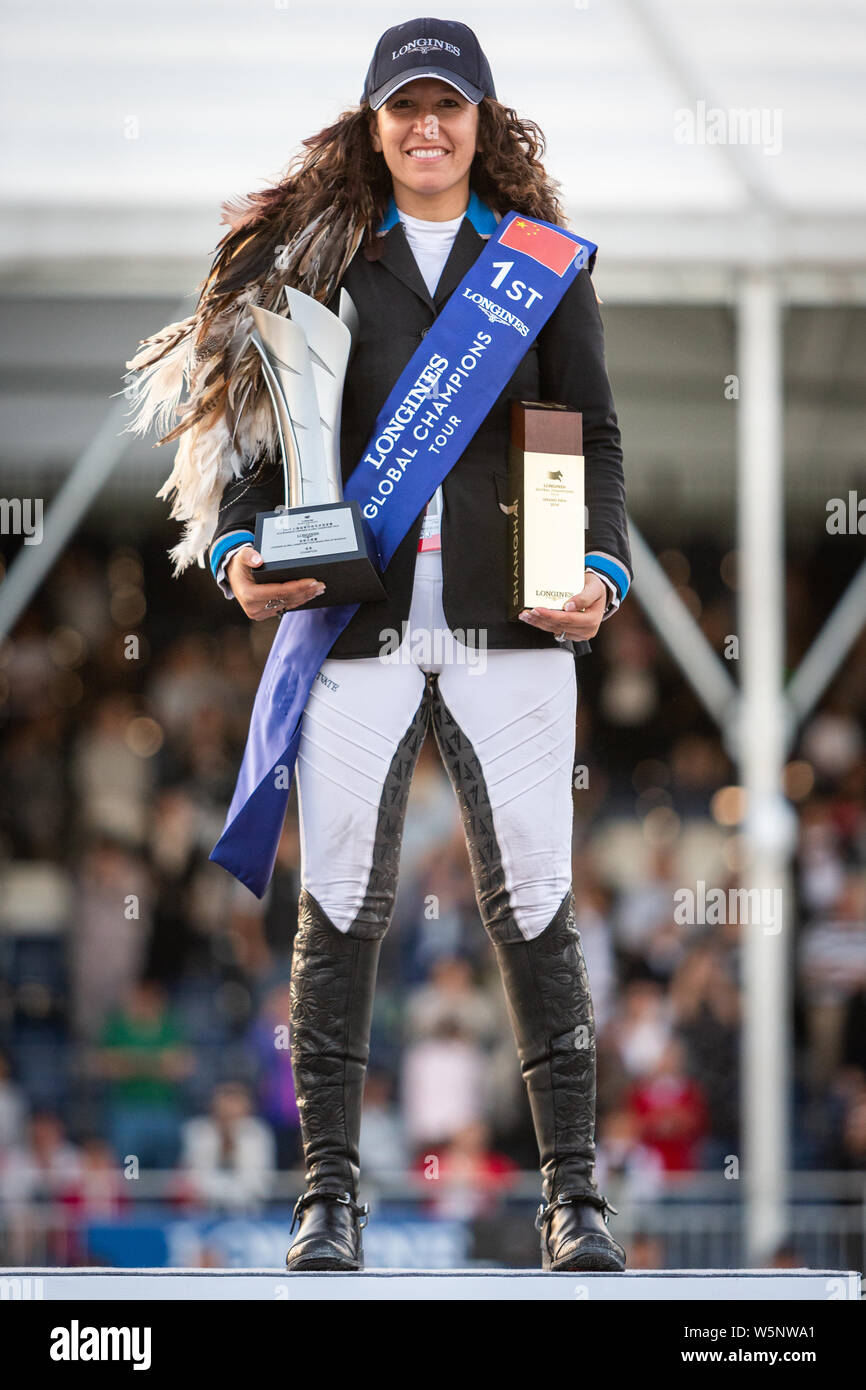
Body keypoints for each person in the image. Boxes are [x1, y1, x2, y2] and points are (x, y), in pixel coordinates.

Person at [125, 17, 632, 1272]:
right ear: (371, 123)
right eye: (402, 106)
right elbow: (254, 443)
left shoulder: (542, 268)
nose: (425, 126)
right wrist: (243, 550)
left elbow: (597, 437)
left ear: (480, 122)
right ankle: (327, 1199)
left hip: (509, 619)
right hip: (350, 619)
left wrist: (605, 573)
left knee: (536, 904)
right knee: (339, 905)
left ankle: (574, 1201)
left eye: (446, 106)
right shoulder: (317, 262)